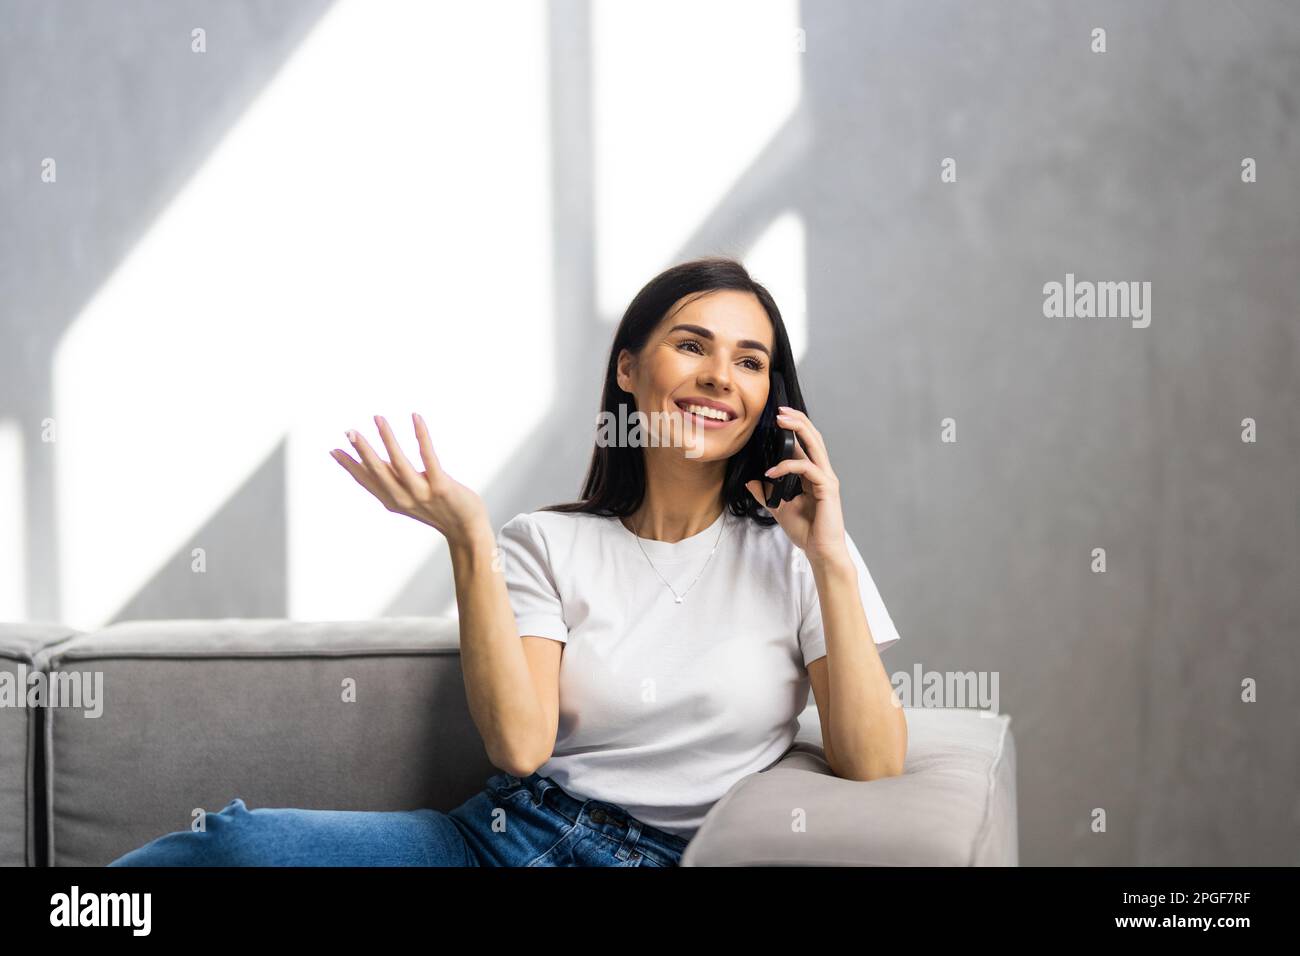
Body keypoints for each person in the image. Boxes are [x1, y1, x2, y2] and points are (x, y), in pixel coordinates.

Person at [107, 255, 904, 867]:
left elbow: (872, 762)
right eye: (691, 345)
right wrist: (469, 537)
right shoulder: (545, 543)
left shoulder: (804, 553)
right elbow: (521, 748)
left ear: (769, 394)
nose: (718, 378)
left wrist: (830, 557)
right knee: (237, 849)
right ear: (628, 370)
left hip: (666, 858)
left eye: (750, 360)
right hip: (502, 841)